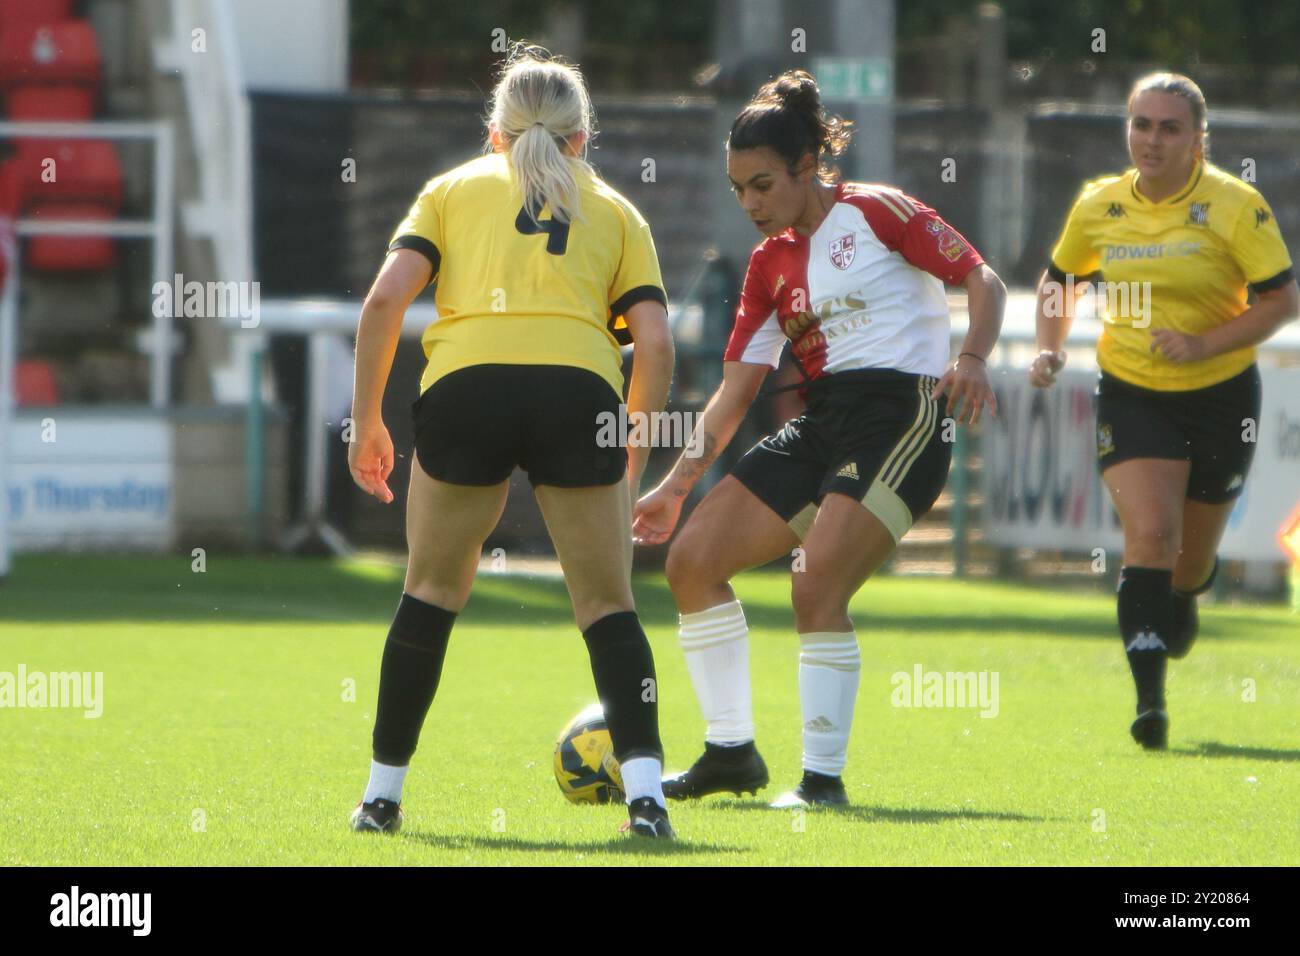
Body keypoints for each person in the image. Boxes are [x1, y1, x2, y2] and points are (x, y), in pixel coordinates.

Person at [633, 70, 1006, 806]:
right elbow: (736, 390)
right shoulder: (767, 267)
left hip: (902, 415)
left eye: (763, 184)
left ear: (808, 167)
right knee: (692, 564)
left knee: (815, 581)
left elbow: (983, 279)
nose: (750, 203)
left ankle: (822, 783)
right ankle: (731, 754)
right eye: (739, 188)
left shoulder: (877, 211)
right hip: (824, 422)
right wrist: (676, 486)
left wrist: (971, 360)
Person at [347, 45, 677, 836]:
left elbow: (385, 300)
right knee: (606, 606)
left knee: (428, 594)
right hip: (578, 391)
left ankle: (381, 798)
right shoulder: (617, 211)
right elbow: (656, 345)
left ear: (494, 133)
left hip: (467, 389)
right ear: (582, 138)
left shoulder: (450, 190)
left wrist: (368, 420)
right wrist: (632, 438)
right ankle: (647, 802)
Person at [1029, 72, 1297, 750]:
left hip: (1221, 396)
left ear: (1198, 139)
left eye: (1169, 127)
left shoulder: (1235, 205)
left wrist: (1204, 342)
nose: (1152, 139)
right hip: (1132, 387)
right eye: (1141, 124)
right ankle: (1150, 705)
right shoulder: (1099, 204)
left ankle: (1184, 591)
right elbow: (1060, 280)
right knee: (1149, 536)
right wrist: (1050, 348)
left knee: (1187, 561)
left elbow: (1281, 300)